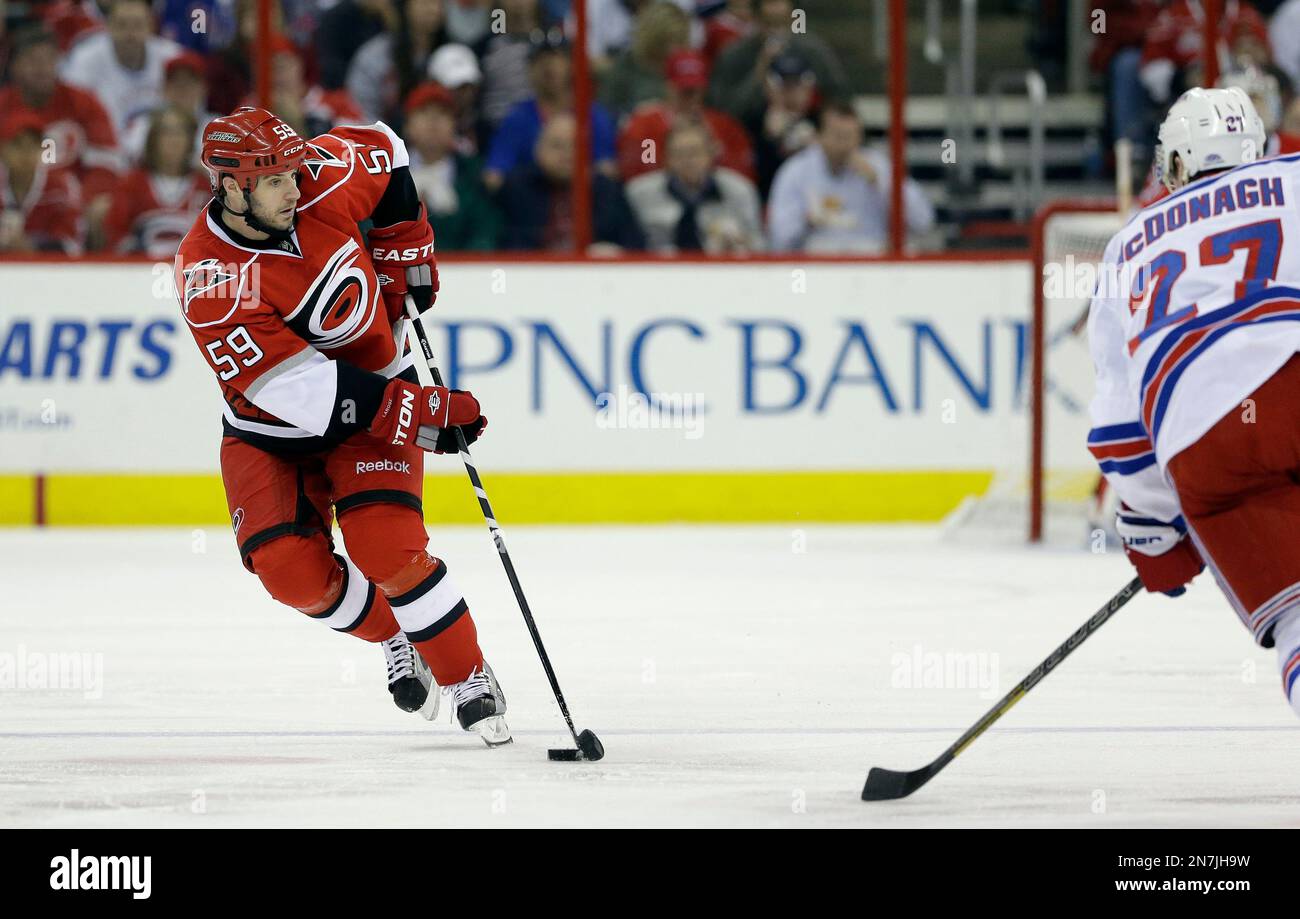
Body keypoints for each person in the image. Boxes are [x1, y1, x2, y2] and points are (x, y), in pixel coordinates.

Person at [174, 106, 509, 743]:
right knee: (288, 572)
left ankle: (467, 672)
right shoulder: (210, 280)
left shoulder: (315, 179)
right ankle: (396, 632)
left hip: (368, 401)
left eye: (293, 174)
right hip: (272, 430)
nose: (295, 189)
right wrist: (418, 410)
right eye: (274, 182)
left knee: (387, 549)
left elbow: (384, 146)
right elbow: (304, 393)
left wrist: (404, 242)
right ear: (230, 187)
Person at [1085, 86, 1300, 718]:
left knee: (1294, 621)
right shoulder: (1293, 179)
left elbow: (1123, 428)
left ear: (1175, 163)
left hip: (1205, 440)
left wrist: (1152, 531)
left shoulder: (1126, 247)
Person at [0, 25, 122, 241]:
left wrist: (84, 200)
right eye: (32, 60)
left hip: (69, 200)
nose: (41, 68)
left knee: (104, 208)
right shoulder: (3, 105)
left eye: (48, 59)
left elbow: (106, 162)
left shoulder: (84, 102)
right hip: (13, 197)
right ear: (15, 65)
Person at [767, 100, 933, 253]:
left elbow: (923, 221)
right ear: (819, 137)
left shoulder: (878, 167)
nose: (845, 145)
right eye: (838, 136)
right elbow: (778, 239)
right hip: (815, 265)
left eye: (851, 137)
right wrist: (806, 220)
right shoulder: (796, 171)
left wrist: (881, 183)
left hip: (872, 262)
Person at [483, 36, 617, 191]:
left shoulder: (592, 115)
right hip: (534, 201)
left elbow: (607, 170)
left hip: (582, 199)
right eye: (539, 60)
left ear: (570, 65)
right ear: (529, 69)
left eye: (555, 58)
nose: (547, 66)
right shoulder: (517, 118)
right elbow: (494, 176)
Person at [498, 111, 644, 252]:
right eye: (557, 146)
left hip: (592, 273)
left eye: (575, 146)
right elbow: (504, 242)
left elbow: (634, 243)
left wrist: (613, 251)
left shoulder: (607, 190)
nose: (567, 154)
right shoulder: (516, 187)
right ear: (538, 150)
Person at [617, 48, 755, 183]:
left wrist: (718, 155)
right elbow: (638, 173)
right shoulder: (645, 124)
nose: (690, 97)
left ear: (704, 89)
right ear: (668, 86)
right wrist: (670, 150)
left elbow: (745, 176)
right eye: (684, 90)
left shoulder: (724, 125)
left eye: (695, 90)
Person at [625, 119, 762, 253]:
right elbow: (628, 246)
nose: (687, 161)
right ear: (666, 158)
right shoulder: (639, 193)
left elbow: (760, 245)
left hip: (722, 269)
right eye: (678, 154)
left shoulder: (739, 190)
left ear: (711, 153)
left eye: (695, 152)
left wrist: (741, 244)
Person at [60, 0, 182, 139]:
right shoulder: (85, 59)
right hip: (105, 145)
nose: (130, 33)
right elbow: (70, 110)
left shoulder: (172, 58)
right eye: (122, 25)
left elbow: (192, 109)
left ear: (151, 27)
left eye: (138, 25)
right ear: (108, 26)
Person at [403, 82, 501, 249]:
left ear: (454, 125)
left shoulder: (474, 173)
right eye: (423, 112)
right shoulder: (385, 175)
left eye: (442, 114)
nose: (433, 122)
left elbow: (487, 231)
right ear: (407, 125)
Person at [104, 105, 210, 256]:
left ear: (190, 140)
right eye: (167, 133)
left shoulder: (205, 186)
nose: (174, 140)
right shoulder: (132, 184)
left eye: (181, 132)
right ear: (153, 139)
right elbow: (115, 233)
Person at [0, 113, 84, 254]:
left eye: (34, 145)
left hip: (49, 272)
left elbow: (72, 245)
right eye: (17, 144)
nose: (27, 153)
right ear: (2, 149)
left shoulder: (61, 187)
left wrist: (31, 247)